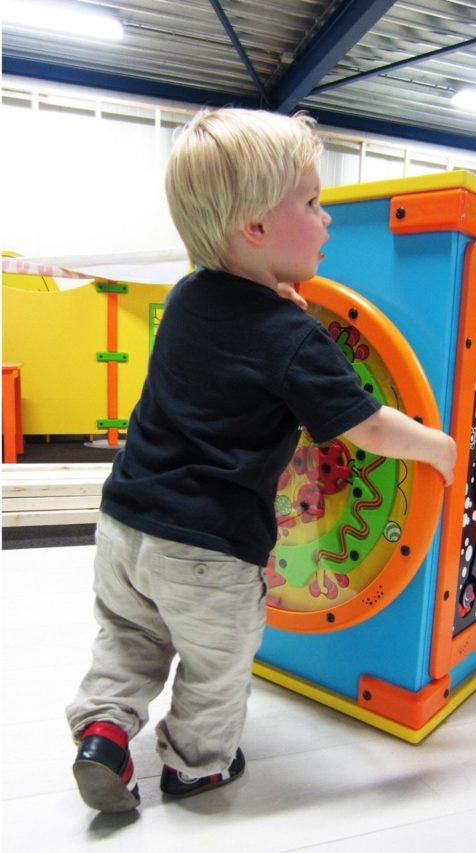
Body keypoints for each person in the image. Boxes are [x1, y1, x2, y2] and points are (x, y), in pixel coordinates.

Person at [66, 108, 456, 814]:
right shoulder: (293, 336)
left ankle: (103, 731)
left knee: (128, 637)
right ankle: (197, 766)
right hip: (208, 551)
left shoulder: (187, 298)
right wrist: (438, 446)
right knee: (216, 667)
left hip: (122, 522)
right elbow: (366, 425)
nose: (327, 218)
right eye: (312, 202)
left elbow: (228, 355)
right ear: (255, 229)